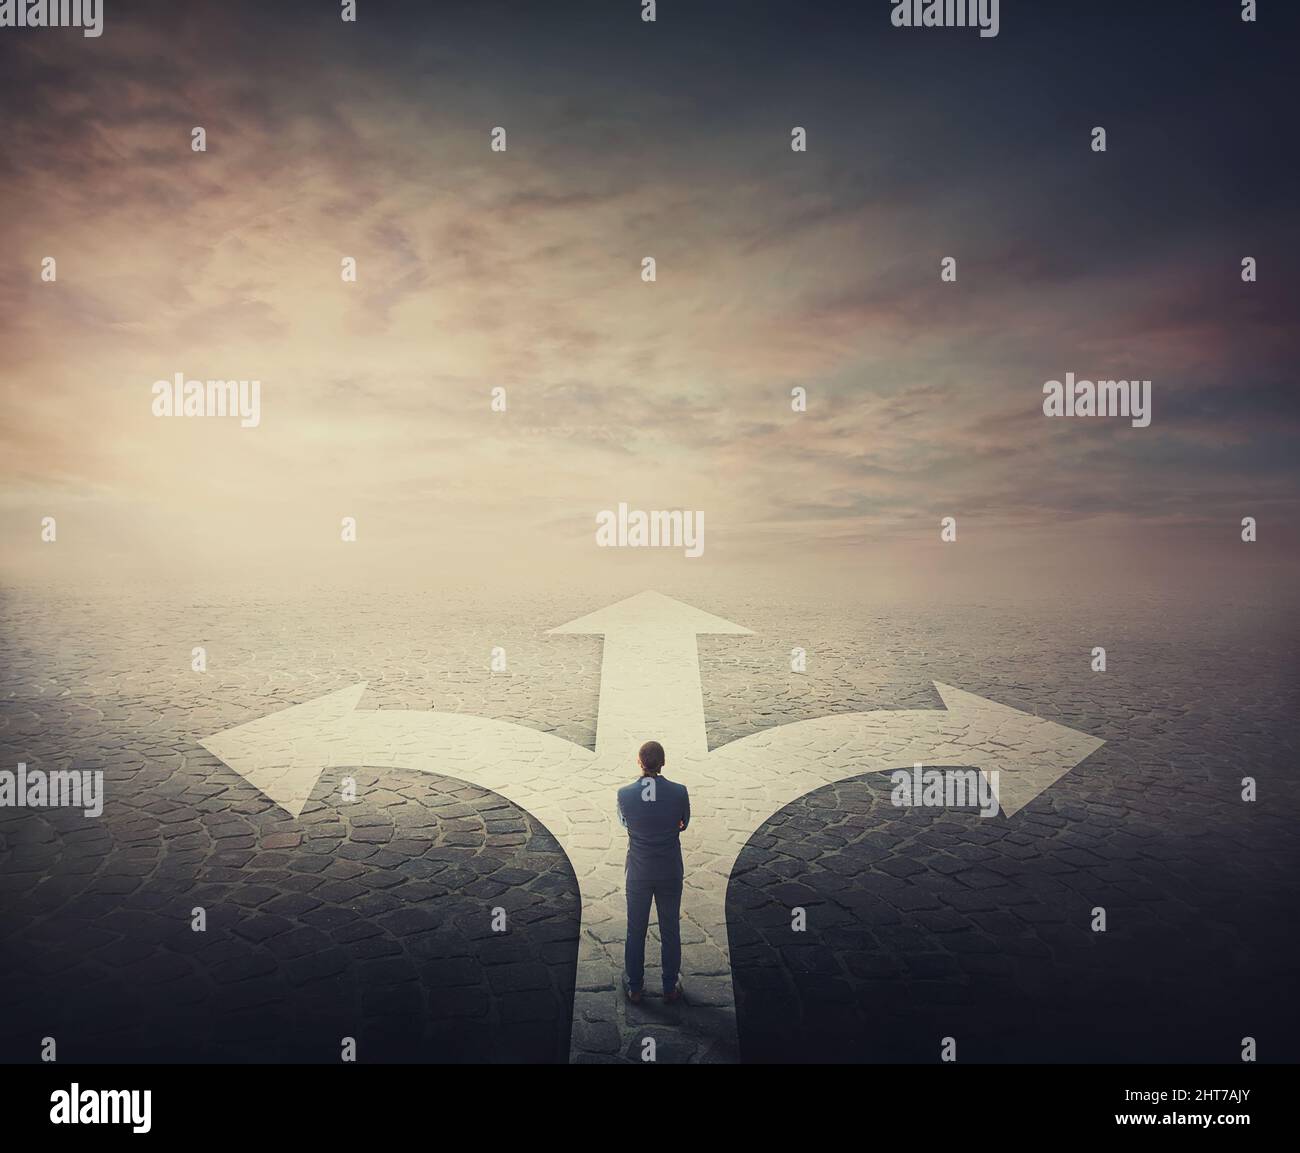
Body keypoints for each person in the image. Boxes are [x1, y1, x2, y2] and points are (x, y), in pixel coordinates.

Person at [616, 739, 690, 1003]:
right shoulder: (680, 792)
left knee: (635, 929)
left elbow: (624, 822)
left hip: (639, 871)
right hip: (669, 869)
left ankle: (635, 987)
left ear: (639, 762)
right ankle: (669, 986)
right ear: (663, 763)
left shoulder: (624, 794)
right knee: (670, 928)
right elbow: (684, 823)